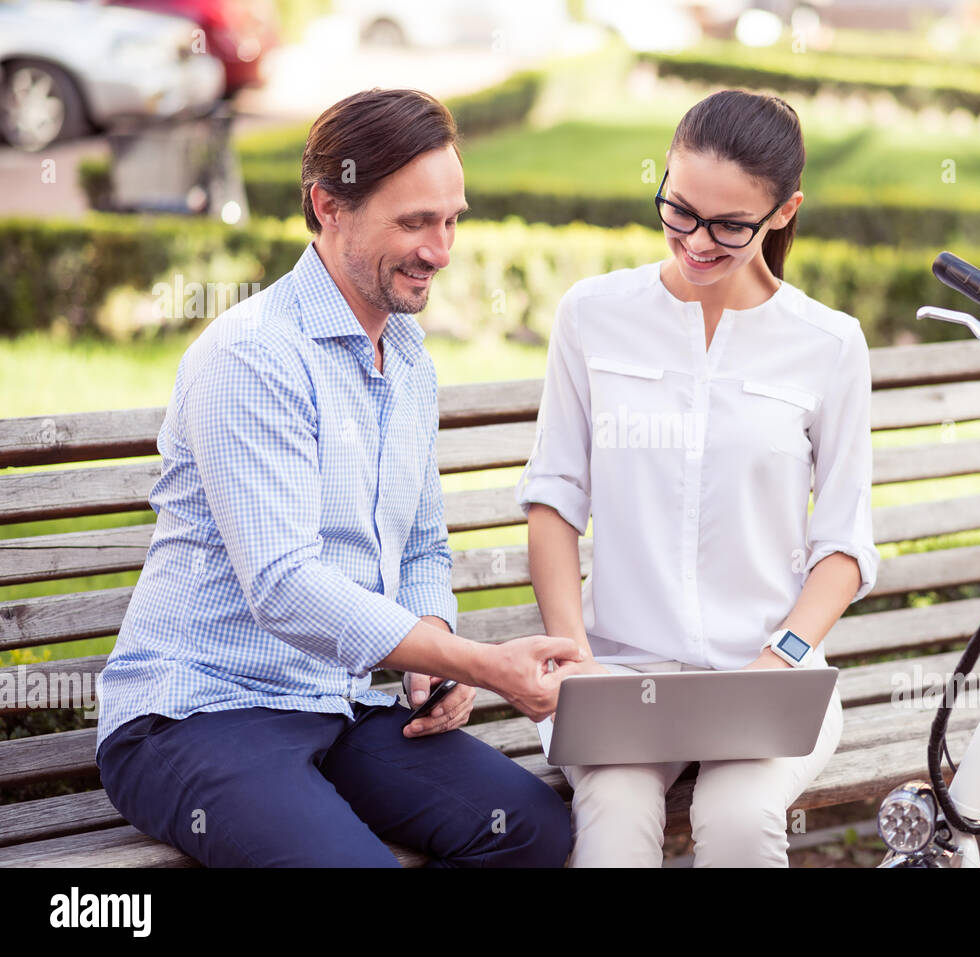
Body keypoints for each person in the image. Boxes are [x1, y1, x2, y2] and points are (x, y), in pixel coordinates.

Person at [94, 88, 586, 868]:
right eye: (415, 221)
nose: (441, 249)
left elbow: (422, 543)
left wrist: (434, 648)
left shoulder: (410, 361)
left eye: (452, 219)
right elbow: (285, 583)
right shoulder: (252, 356)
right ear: (329, 205)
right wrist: (480, 663)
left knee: (531, 826)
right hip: (200, 713)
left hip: (340, 704)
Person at [515, 89, 880, 867]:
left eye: (729, 225)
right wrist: (576, 659)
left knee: (741, 818)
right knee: (612, 816)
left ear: (784, 213)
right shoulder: (593, 314)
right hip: (617, 668)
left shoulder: (830, 344)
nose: (697, 241)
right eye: (678, 210)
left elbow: (845, 544)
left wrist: (776, 659)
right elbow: (552, 500)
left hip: (768, 671)